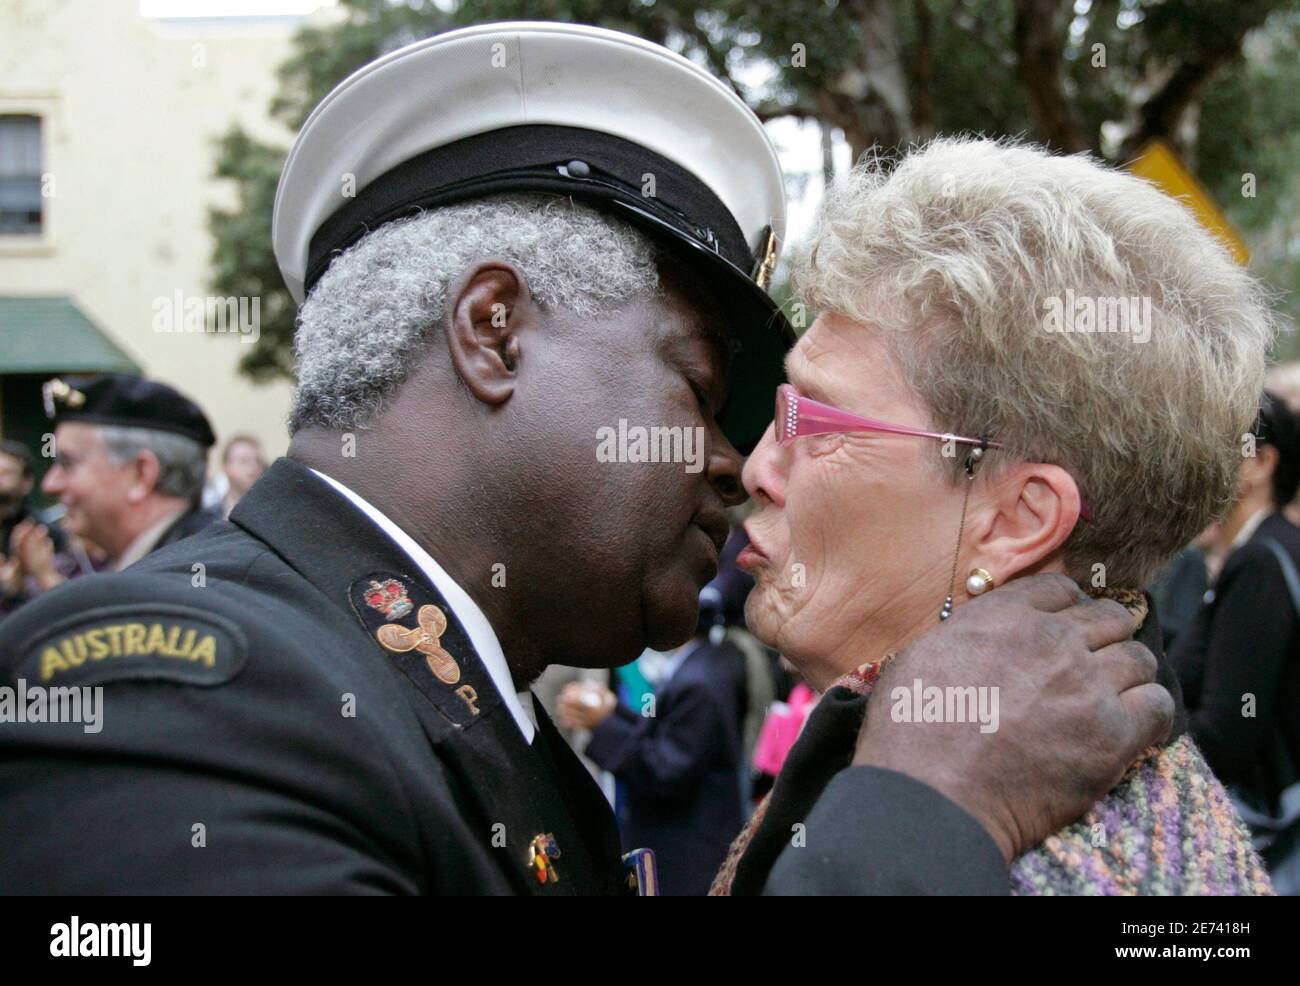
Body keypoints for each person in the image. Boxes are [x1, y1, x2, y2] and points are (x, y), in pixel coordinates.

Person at [0, 24, 1169, 895]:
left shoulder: (450, 703)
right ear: (494, 330)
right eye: (702, 392)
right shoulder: (164, 697)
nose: (734, 463)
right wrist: (926, 804)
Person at [711, 136, 1275, 896]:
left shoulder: (1082, 874)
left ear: (1016, 519)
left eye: (824, 422)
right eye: (784, 409)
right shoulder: (921, 754)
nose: (757, 471)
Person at [1171, 393, 1300, 892]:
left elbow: (1231, 731)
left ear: (1262, 464)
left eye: (1217, 448)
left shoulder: (1260, 563)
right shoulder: (1271, 548)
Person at [556, 564, 749, 896]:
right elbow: (666, 735)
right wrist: (613, 712)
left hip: (689, 850)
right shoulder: (704, 664)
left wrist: (603, 724)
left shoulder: (698, 682)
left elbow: (665, 772)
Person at [38, 374, 219, 572]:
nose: (50, 484)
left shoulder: (186, 580)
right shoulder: (190, 563)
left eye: (67, 464)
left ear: (142, 474)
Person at [217, 434, 267, 519]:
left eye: (257, 461)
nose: (252, 469)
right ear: (226, 466)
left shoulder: (268, 515)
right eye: (243, 461)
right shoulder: (205, 518)